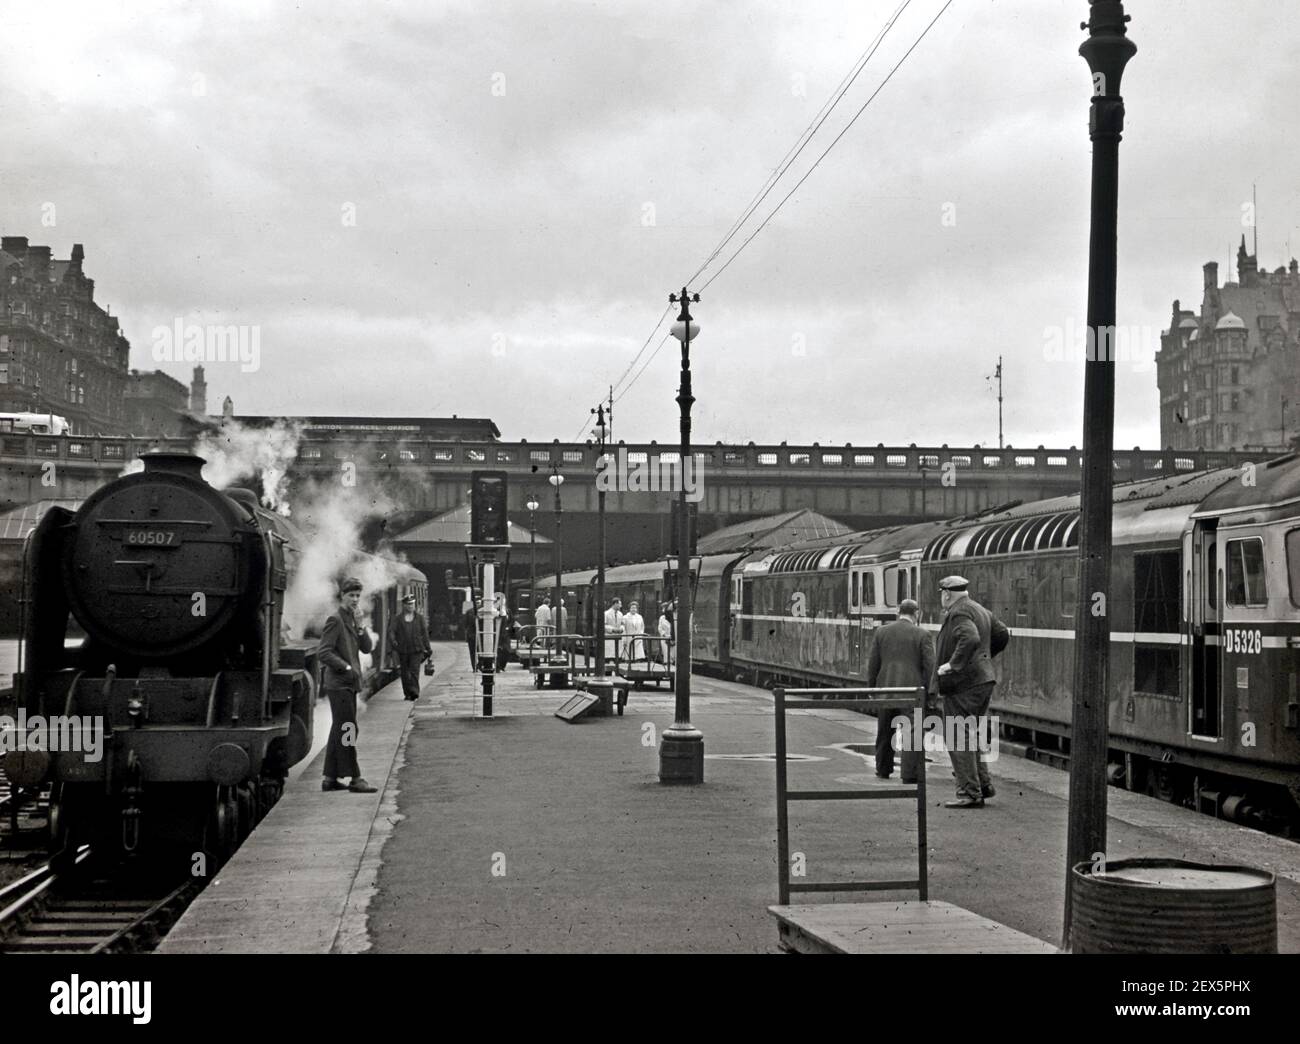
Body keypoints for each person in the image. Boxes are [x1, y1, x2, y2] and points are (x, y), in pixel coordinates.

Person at [932, 575, 1009, 809]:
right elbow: (1002, 633)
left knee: (957, 735)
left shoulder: (958, 612)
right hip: (982, 680)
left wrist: (953, 664)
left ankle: (969, 792)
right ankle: (983, 785)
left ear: (946, 593)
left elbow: (970, 637)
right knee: (969, 733)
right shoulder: (979, 609)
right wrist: (983, 659)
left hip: (963, 683)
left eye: (941, 594)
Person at [317, 577, 378, 793]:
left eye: (357, 596)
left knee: (339, 729)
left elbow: (367, 648)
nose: (355, 600)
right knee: (348, 728)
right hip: (339, 683)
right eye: (351, 595)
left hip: (348, 684)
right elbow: (323, 651)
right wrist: (346, 668)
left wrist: (361, 627)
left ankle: (330, 778)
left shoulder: (352, 619)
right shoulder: (335, 620)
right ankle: (355, 777)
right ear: (342, 596)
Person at [864, 598, 935, 783]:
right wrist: (930, 694)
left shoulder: (882, 632)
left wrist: (872, 688)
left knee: (884, 732)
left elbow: (873, 664)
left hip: (886, 690)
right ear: (916, 614)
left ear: (899, 613)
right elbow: (930, 667)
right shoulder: (923, 635)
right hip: (912, 693)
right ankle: (909, 774)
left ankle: (883, 769)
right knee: (912, 733)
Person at [388, 592, 432, 701]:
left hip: (416, 649)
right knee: (404, 672)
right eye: (408, 604)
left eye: (412, 604)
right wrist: (393, 640)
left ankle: (414, 692)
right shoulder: (398, 619)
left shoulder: (419, 618)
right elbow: (392, 631)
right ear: (404, 605)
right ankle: (407, 693)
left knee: (414, 671)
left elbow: (424, 633)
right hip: (403, 649)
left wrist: (428, 647)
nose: (410, 606)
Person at [603, 597, 624, 662]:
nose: (621, 606)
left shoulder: (620, 614)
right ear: (615, 604)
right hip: (609, 638)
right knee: (608, 658)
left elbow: (622, 624)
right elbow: (604, 625)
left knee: (618, 659)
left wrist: (621, 629)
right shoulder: (606, 613)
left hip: (618, 638)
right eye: (619, 604)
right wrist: (613, 629)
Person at [463, 598, 480, 669]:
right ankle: (476, 666)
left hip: (473, 635)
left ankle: (476, 666)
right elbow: (465, 624)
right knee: (476, 652)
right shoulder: (471, 612)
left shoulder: (469, 612)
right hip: (475, 635)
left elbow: (465, 624)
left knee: (475, 652)